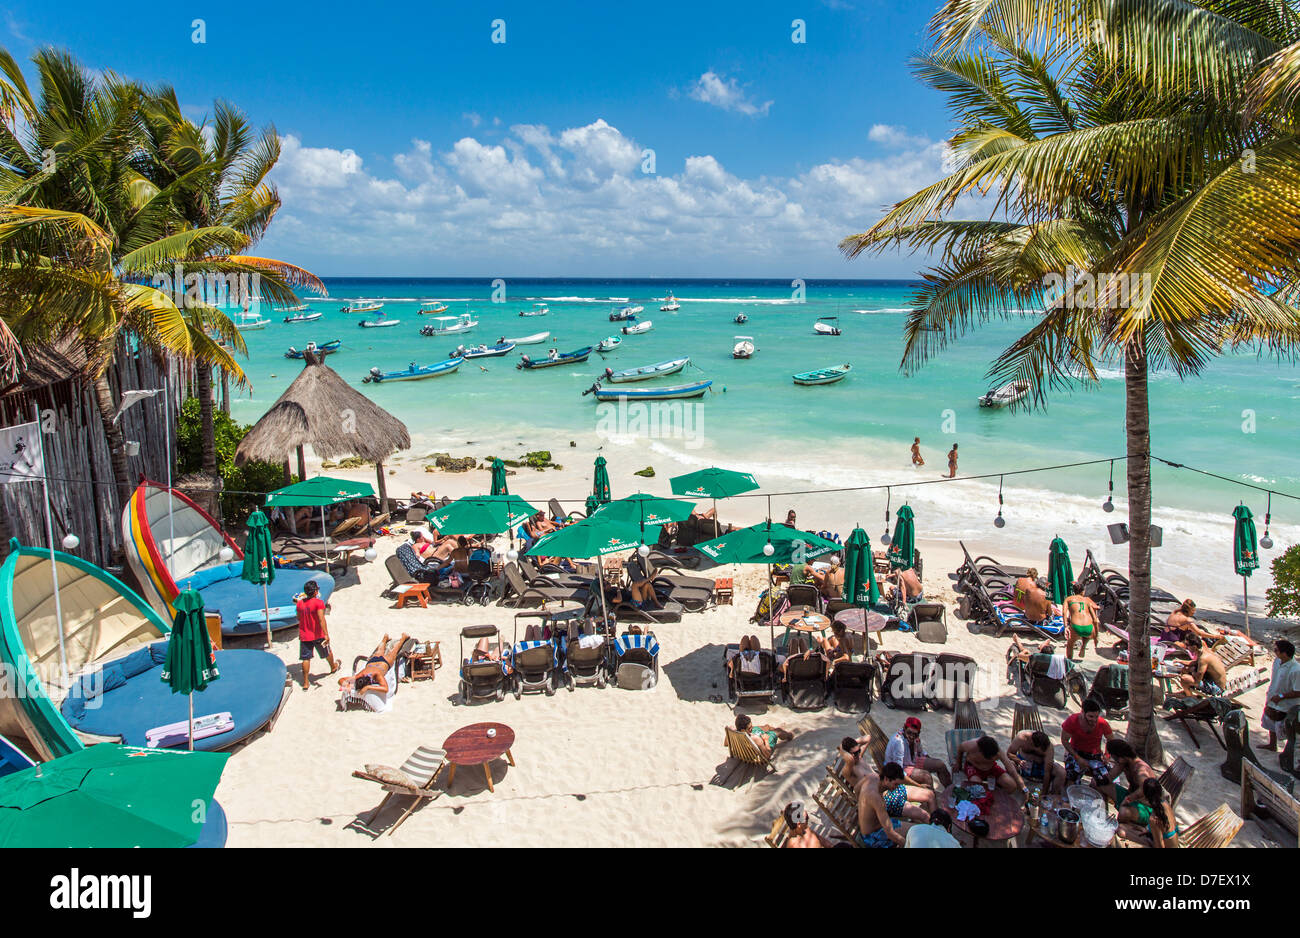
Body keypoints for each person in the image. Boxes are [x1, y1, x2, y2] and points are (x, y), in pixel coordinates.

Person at [858, 762, 927, 847]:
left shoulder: (871, 777)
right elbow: (890, 833)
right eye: (896, 784)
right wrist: (907, 845)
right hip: (872, 837)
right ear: (886, 779)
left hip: (878, 827)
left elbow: (856, 789)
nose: (897, 787)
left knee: (917, 829)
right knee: (916, 833)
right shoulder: (877, 799)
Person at [1096, 738, 1157, 824]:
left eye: (1115, 757)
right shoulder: (1124, 762)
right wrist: (1099, 779)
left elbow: (1144, 790)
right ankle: (1103, 816)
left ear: (1121, 757)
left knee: (1124, 812)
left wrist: (1127, 799)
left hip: (1145, 808)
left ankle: (1119, 828)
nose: (1115, 760)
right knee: (1096, 783)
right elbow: (1109, 777)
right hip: (1130, 799)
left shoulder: (1140, 770)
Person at [884, 716, 953, 788]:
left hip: (912, 760)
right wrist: (918, 785)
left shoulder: (915, 738)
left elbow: (922, 753)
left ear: (918, 733)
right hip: (898, 768)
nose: (911, 736)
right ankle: (932, 797)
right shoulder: (898, 742)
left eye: (915, 734)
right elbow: (898, 771)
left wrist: (932, 762)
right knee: (926, 777)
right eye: (909, 732)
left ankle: (951, 791)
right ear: (904, 728)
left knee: (940, 764)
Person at [338, 633, 409, 702]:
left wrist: (367, 687)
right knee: (381, 650)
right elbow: (340, 680)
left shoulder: (376, 675)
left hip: (383, 662)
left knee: (394, 651)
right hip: (374, 663)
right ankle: (385, 638)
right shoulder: (359, 676)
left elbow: (385, 688)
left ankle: (403, 638)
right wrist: (347, 686)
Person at [295, 579, 339, 689]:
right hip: (318, 635)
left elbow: (298, 618)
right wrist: (326, 634)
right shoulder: (318, 603)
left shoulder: (300, 604)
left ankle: (305, 682)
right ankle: (333, 667)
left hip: (304, 635)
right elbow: (321, 619)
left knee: (306, 658)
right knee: (327, 652)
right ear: (315, 592)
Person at [953, 735, 1028, 796]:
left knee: (1011, 786)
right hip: (973, 767)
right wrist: (958, 763)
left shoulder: (998, 751)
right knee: (977, 787)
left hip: (991, 768)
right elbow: (960, 749)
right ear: (980, 751)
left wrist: (1023, 787)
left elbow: (1011, 770)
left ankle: (994, 799)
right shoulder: (970, 745)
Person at [1117, 778, 1180, 848]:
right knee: (1121, 827)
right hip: (1172, 843)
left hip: (1161, 845)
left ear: (1145, 795)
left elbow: (1159, 846)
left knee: (1120, 831)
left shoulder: (1153, 819)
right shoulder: (1165, 804)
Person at [1061, 699, 1114, 783]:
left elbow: (1111, 739)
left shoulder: (1102, 723)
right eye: (1091, 716)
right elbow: (1064, 740)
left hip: (1095, 755)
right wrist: (1077, 758)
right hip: (1076, 752)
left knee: (1106, 779)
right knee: (1071, 779)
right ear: (1082, 712)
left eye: (1096, 716)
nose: (1094, 720)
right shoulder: (1072, 720)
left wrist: (1107, 755)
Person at [1263, 639, 1300, 751]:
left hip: (1286, 704)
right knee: (1270, 719)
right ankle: (1272, 745)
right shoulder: (1277, 661)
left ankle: (1288, 751)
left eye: (1276, 650)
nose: (1274, 652)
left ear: (1284, 653)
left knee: (1286, 728)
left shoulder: (1296, 670)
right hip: (1273, 697)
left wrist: (1281, 696)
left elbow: (1298, 691)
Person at [1007, 729, 1066, 794]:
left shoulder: (1049, 747)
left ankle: (1054, 794)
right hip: (1023, 766)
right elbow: (1009, 753)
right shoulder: (1022, 737)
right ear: (1032, 743)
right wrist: (1019, 761)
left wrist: (1044, 793)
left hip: (1040, 769)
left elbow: (1047, 772)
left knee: (1061, 772)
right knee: (1010, 764)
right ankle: (1014, 788)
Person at [1063, 585, 1101, 658]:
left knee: (1070, 644)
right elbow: (1095, 620)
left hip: (1075, 626)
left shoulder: (1068, 599)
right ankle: (1083, 647)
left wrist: (1065, 626)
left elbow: (1064, 613)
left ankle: (1069, 661)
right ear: (1083, 591)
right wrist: (1096, 636)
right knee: (1086, 635)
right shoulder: (1087, 600)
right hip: (1088, 627)